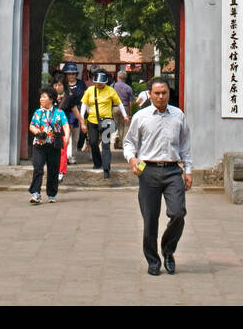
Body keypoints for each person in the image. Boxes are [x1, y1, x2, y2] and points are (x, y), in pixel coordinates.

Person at [122, 78, 192, 275]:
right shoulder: (141, 117)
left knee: (178, 213)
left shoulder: (178, 115)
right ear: (149, 94)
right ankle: (153, 260)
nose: (161, 96)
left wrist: (188, 170)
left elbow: (185, 145)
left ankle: (168, 251)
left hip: (172, 171)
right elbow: (129, 143)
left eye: (164, 93)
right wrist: (132, 160)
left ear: (169, 94)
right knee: (150, 219)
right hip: (148, 172)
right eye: (157, 93)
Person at [80, 70, 128, 178]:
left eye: (101, 83)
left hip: (106, 121)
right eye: (97, 82)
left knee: (106, 145)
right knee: (92, 142)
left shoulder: (111, 91)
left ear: (105, 82)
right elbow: (84, 104)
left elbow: (119, 103)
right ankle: (97, 163)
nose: (99, 84)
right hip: (92, 121)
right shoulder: (90, 90)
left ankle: (106, 168)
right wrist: (82, 118)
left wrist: (125, 115)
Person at [29, 87, 68, 204]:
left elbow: (65, 125)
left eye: (44, 97)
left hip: (53, 145)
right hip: (39, 145)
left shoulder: (59, 113)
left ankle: (51, 193)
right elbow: (32, 126)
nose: (41, 99)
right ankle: (35, 193)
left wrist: (66, 137)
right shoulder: (38, 113)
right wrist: (37, 132)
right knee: (38, 168)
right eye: (41, 97)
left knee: (53, 170)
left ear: (51, 99)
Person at [57, 75, 86, 166]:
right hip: (60, 123)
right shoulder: (51, 96)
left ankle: (72, 155)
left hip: (72, 119)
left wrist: (82, 122)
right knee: (67, 138)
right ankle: (67, 157)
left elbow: (75, 109)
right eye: (56, 85)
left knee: (75, 138)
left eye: (60, 85)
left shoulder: (70, 96)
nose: (57, 87)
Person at [111, 71, 134, 147]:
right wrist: (130, 112)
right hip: (125, 107)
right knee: (125, 126)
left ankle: (118, 140)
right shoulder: (128, 88)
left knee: (117, 125)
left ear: (118, 77)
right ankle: (123, 142)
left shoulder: (113, 86)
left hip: (114, 107)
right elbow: (130, 102)